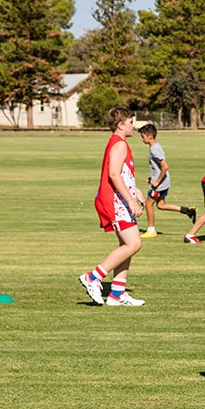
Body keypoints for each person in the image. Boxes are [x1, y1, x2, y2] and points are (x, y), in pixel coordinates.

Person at [77, 107, 146, 306]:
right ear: (120, 125)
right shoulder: (120, 144)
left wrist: (136, 191)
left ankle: (117, 294)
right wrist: (131, 201)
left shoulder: (119, 143)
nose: (133, 125)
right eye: (130, 122)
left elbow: (121, 174)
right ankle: (93, 277)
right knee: (134, 244)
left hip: (120, 200)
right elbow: (114, 174)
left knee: (127, 246)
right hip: (116, 203)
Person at [138, 123, 196, 237]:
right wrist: (152, 178)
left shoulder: (154, 149)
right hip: (163, 182)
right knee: (161, 205)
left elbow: (165, 166)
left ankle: (151, 230)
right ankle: (188, 211)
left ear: (150, 136)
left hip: (159, 184)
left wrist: (157, 181)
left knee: (148, 204)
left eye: (143, 136)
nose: (142, 139)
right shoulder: (155, 146)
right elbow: (159, 168)